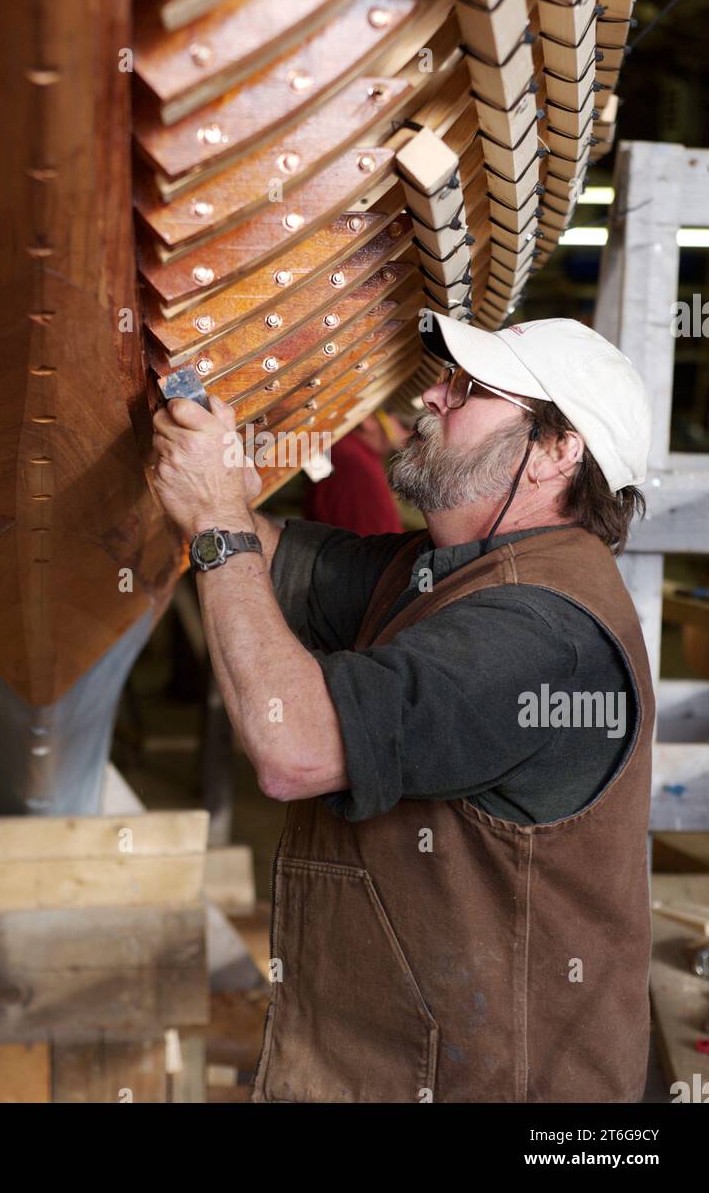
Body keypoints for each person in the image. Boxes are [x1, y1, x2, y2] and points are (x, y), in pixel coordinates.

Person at [151, 311, 655, 1104]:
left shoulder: (544, 636)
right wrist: (216, 488)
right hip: (410, 1064)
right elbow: (274, 557)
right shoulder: (447, 570)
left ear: (558, 451)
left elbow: (295, 751)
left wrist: (215, 522)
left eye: (470, 389)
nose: (432, 395)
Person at [303, 411, 408, 536]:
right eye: (404, 425)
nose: (408, 435)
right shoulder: (353, 458)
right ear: (369, 420)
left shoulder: (362, 456)